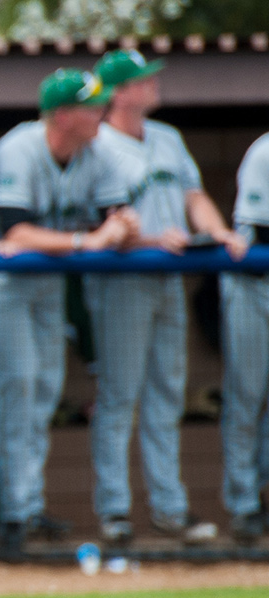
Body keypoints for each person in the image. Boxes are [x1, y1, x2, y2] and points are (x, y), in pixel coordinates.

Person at [87, 49, 238, 547]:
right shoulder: (98, 144)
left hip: (169, 279)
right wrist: (154, 240)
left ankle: (169, 508)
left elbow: (194, 195)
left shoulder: (168, 137)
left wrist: (218, 230)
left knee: (167, 395)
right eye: (142, 79)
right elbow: (104, 224)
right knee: (119, 396)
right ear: (118, 93)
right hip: (122, 281)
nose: (153, 83)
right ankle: (114, 510)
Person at [0, 69, 138, 558]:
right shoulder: (20, 147)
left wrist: (120, 229)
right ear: (62, 115)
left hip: (50, 286)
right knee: (19, 387)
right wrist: (85, 240)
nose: (101, 114)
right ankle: (12, 511)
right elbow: (14, 231)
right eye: (92, 107)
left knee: (45, 391)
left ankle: (28, 505)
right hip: (8, 287)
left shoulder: (99, 151)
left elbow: (119, 218)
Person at [221, 134, 269, 544]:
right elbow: (260, 231)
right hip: (253, 287)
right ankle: (244, 504)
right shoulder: (264, 152)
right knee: (247, 397)